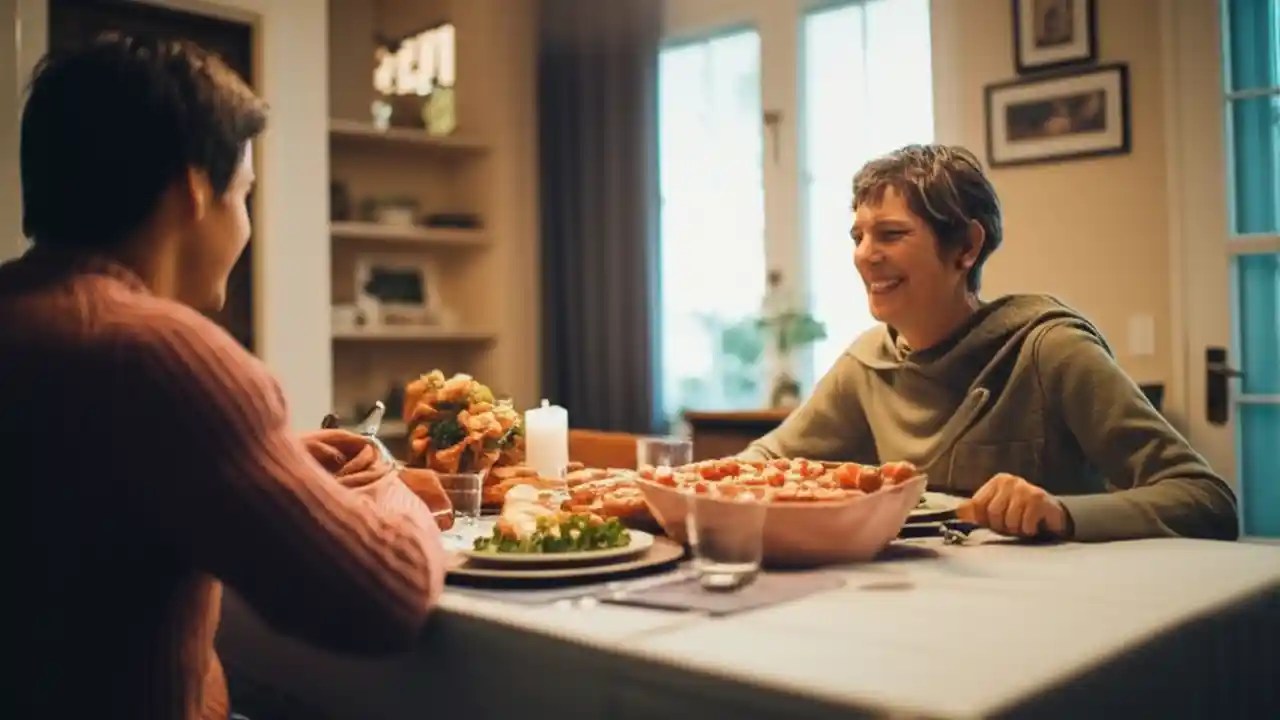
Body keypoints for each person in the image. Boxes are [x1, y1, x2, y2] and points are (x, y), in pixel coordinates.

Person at [1, 34, 452, 720]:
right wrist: (386, 479)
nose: (245, 222)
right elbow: (385, 601)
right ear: (192, 189)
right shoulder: (158, 357)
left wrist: (263, 461)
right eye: (244, 193)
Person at [741, 144, 1238, 543]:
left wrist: (1061, 512)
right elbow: (761, 463)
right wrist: (668, 488)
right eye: (858, 237)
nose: (865, 256)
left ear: (966, 247)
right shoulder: (867, 362)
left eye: (891, 234)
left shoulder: (1050, 349)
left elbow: (1206, 499)